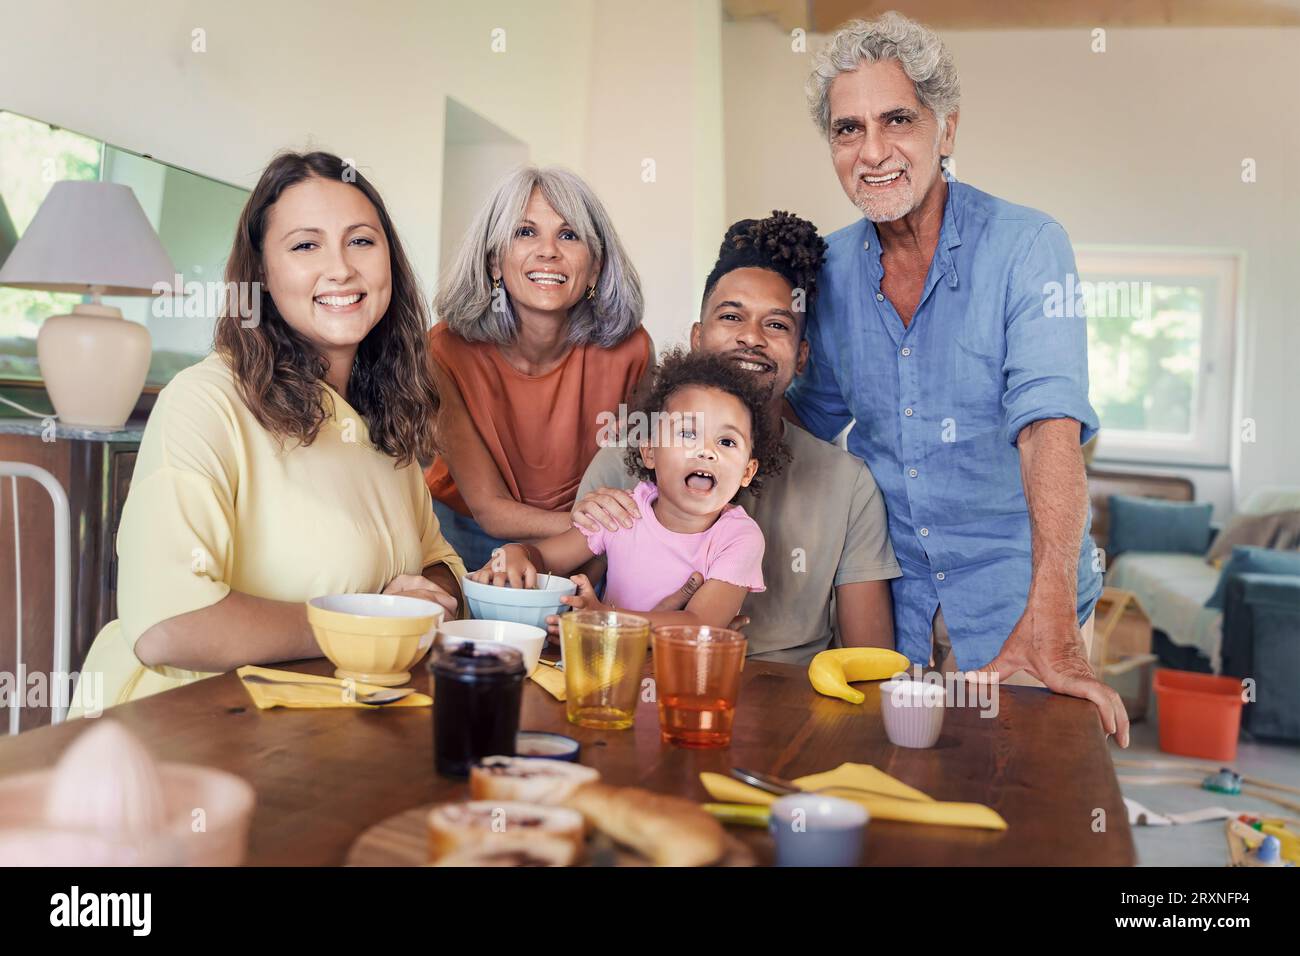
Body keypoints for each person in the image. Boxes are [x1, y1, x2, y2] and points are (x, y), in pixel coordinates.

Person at [788, 12, 1129, 745]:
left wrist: (1051, 616)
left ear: (946, 130)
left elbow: (1048, 430)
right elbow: (801, 428)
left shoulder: (1028, 246)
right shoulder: (831, 270)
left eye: (898, 120)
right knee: (906, 822)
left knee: (1032, 819)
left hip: (1022, 602)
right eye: (848, 130)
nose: (873, 151)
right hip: (890, 605)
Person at [70, 151, 464, 715]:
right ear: (262, 275)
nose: (341, 268)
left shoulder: (383, 416)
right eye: (306, 245)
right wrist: (363, 620)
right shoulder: (206, 400)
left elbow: (439, 563)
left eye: (361, 241)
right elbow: (168, 623)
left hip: (331, 728)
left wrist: (421, 598)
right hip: (184, 731)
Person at [573, 213, 900, 663]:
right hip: (644, 682)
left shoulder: (847, 484)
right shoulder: (627, 458)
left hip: (794, 706)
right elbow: (569, 608)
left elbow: (872, 663)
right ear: (697, 337)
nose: (752, 337)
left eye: (778, 325)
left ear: (802, 356)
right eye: (731, 316)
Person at [424, 166, 651, 571]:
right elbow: (490, 509)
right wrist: (603, 526)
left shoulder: (631, 351)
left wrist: (596, 543)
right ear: (495, 260)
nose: (548, 250)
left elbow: (636, 483)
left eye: (568, 235)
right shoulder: (444, 350)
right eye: (525, 232)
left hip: (586, 541)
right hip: (462, 534)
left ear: (595, 267)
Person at [467, 350, 784, 633]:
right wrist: (518, 553)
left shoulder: (739, 538)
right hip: (610, 673)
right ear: (650, 453)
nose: (707, 451)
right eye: (688, 433)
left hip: (687, 685)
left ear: (747, 471)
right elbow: (546, 558)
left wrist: (610, 619)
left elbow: (700, 623)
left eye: (726, 442)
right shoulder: (624, 511)